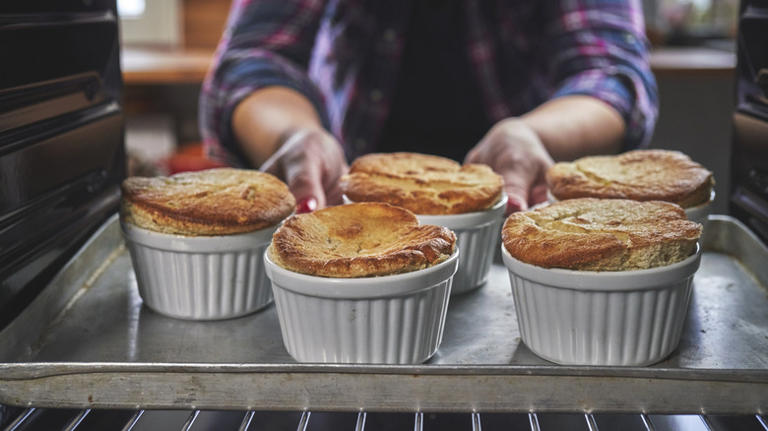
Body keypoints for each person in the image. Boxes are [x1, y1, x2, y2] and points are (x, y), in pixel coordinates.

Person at [200, 0, 657, 213]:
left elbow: (612, 76)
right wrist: (296, 135)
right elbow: (255, 60)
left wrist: (532, 135)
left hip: (522, 205)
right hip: (349, 206)